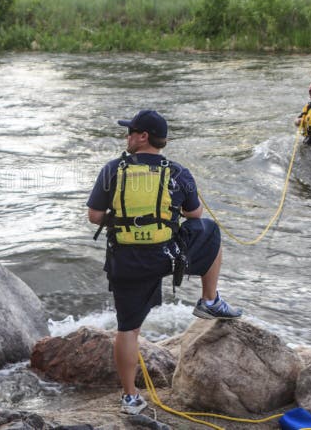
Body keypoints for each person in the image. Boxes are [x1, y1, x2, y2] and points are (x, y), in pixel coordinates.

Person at [86, 110, 242, 415]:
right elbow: (194, 215)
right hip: (166, 258)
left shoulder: (112, 169)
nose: (127, 136)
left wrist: (124, 221)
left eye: (131, 131)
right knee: (209, 230)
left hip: (125, 260)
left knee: (127, 330)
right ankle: (209, 299)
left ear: (143, 136)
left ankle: (130, 398)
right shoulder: (178, 172)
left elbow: (94, 216)